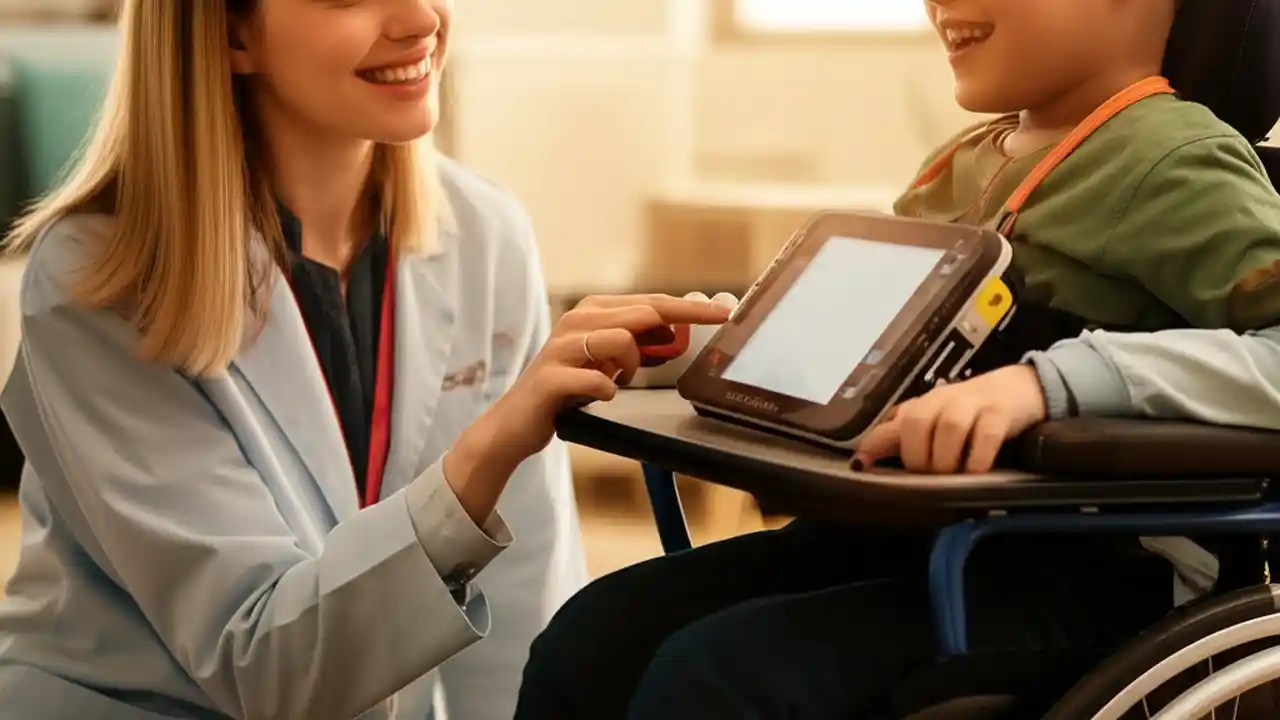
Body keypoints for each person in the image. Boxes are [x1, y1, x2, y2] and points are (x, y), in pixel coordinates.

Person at [514, 0, 1280, 717]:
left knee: (716, 679)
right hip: (923, 537)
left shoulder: (1172, 158)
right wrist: (699, 350)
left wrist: (1049, 385)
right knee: (592, 638)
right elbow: (873, 345)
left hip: (1094, 573)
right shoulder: (962, 165)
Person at [0, 1, 729, 718]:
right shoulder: (97, 281)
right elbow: (265, 666)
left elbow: (522, 613)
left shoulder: (486, 234)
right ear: (229, 31)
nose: (420, 19)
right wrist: (482, 461)